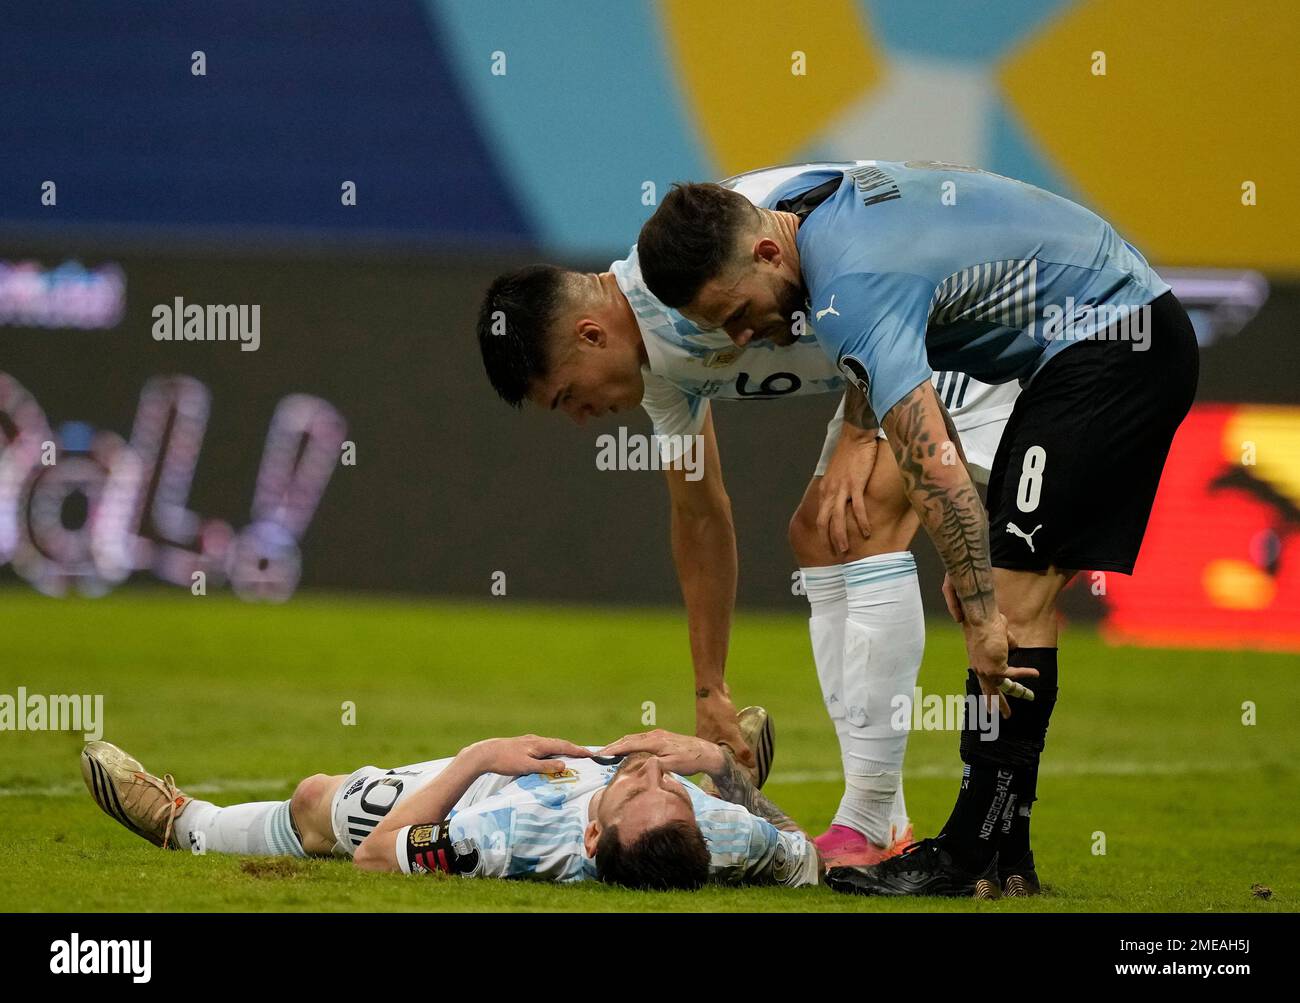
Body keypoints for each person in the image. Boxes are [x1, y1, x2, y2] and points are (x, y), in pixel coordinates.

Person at [635, 160, 1198, 896]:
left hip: (1112, 345)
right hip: (1091, 342)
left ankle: (964, 856)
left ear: (768, 253)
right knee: (1005, 589)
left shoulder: (848, 284)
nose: (746, 336)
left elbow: (932, 459)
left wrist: (982, 608)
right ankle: (1007, 860)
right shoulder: (812, 215)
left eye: (738, 312)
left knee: (1008, 600)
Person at [476, 164, 1019, 867]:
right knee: (817, 534)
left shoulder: (701, 254)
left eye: (565, 398)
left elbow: (866, 255)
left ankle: (872, 821)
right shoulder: (660, 371)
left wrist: (860, 434)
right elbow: (700, 518)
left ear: (588, 335)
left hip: (957, 329)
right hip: (891, 369)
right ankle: (879, 821)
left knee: (856, 524)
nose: (581, 419)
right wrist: (712, 689)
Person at [79, 710, 820, 890]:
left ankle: (186, 825)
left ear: (592, 842)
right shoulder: (723, 832)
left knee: (316, 803)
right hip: (559, 772)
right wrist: (721, 765)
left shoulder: (497, 837)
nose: (656, 772)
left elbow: (375, 857)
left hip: (493, 784)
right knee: (730, 782)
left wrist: (478, 759)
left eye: (645, 782)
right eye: (671, 786)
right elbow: (806, 857)